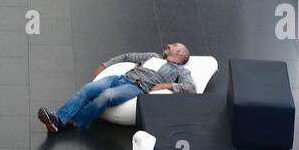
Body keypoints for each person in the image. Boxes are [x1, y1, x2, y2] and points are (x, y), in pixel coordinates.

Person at [37, 43, 196, 133]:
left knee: (106, 97)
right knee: (87, 89)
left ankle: (73, 121)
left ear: (181, 54)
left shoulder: (181, 71)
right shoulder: (153, 56)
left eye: (173, 46)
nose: (168, 45)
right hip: (121, 78)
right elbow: (127, 56)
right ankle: (57, 119)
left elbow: (190, 88)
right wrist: (104, 65)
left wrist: (166, 85)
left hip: (137, 87)